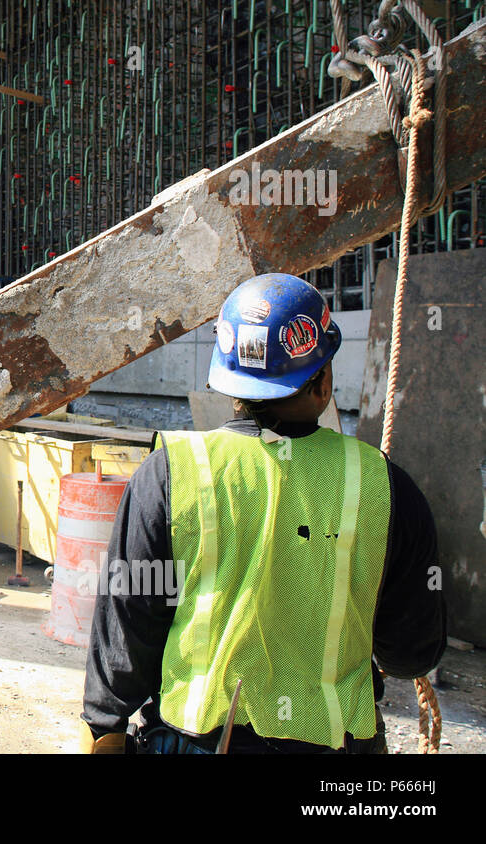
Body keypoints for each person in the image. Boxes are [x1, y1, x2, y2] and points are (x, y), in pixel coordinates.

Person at [81, 273, 445, 754]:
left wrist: (104, 725)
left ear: (227, 380)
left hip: (199, 742)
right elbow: (411, 652)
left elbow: (127, 624)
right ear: (324, 381)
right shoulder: (385, 486)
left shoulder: (171, 472)